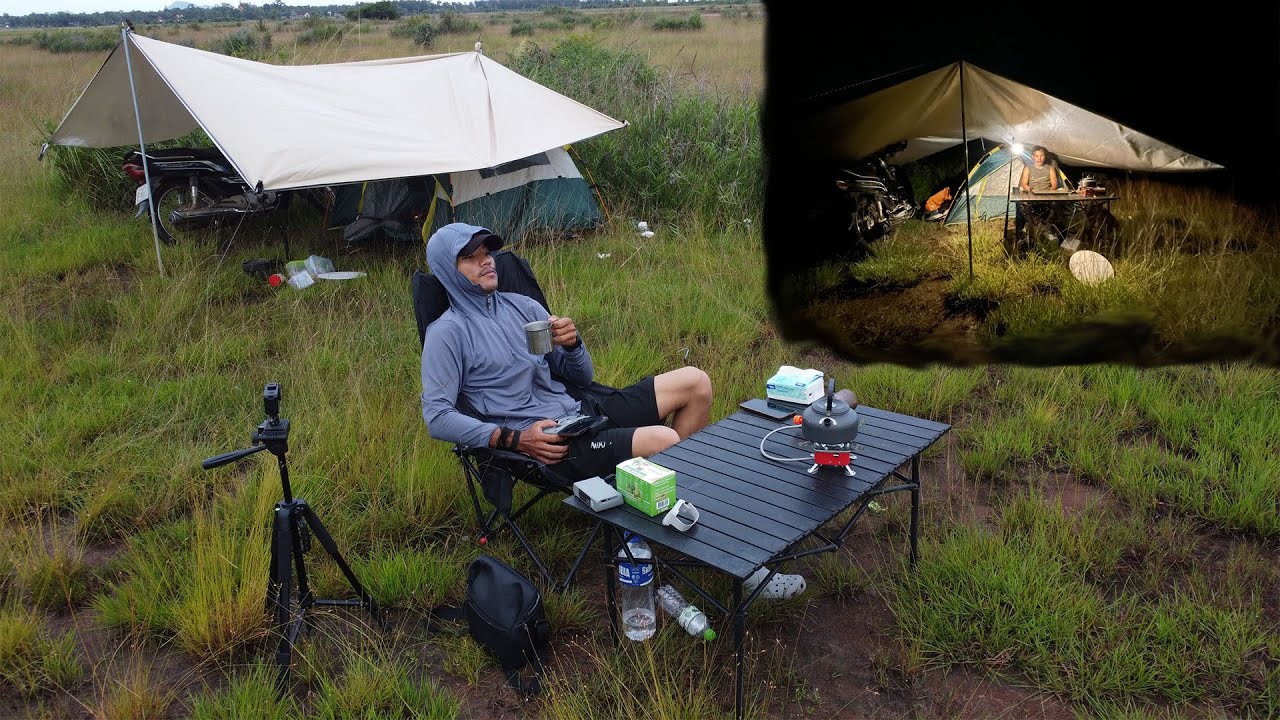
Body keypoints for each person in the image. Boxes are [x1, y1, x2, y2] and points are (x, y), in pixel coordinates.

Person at [420, 223, 806, 600]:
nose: (486, 262)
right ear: (448, 273)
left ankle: (676, 509)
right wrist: (515, 439)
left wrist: (572, 345)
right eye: (470, 259)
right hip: (545, 442)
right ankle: (739, 558)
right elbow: (436, 416)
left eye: (486, 253)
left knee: (695, 381)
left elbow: (581, 376)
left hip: (579, 411)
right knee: (664, 440)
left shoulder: (523, 307)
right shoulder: (448, 333)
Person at [1014, 146, 1060, 246]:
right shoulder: (1028, 168)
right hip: (1032, 195)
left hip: (1046, 196)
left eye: (1041, 156)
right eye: (1037, 156)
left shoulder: (1050, 168)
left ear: (1044, 156)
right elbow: (1024, 184)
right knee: (1019, 204)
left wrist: (1047, 193)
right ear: (1033, 157)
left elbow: (1054, 185)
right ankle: (1021, 235)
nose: (1039, 158)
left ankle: (1043, 229)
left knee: (1056, 205)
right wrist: (1030, 190)